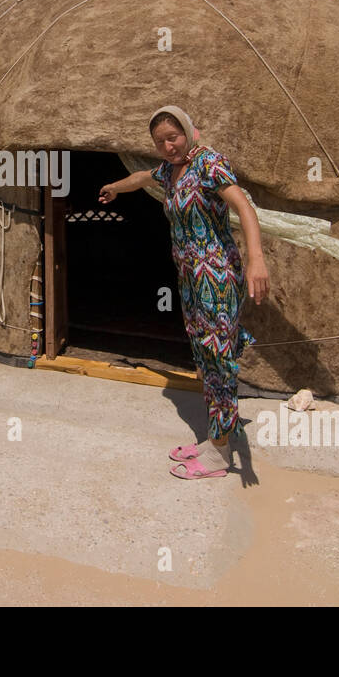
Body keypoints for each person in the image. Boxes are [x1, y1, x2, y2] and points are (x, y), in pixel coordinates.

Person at [98, 105, 270, 480]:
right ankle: (217, 439)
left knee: (219, 361)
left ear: (189, 131)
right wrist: (115, 187)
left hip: (217, 279)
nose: (168, 146)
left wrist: (256, 258)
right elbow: (143, 176)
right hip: (191, 281)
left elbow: (244, 205)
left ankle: (222, 457)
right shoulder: (171, 170)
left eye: (173, 137)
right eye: (160, 141)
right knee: (206, 360)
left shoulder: (208, 163)